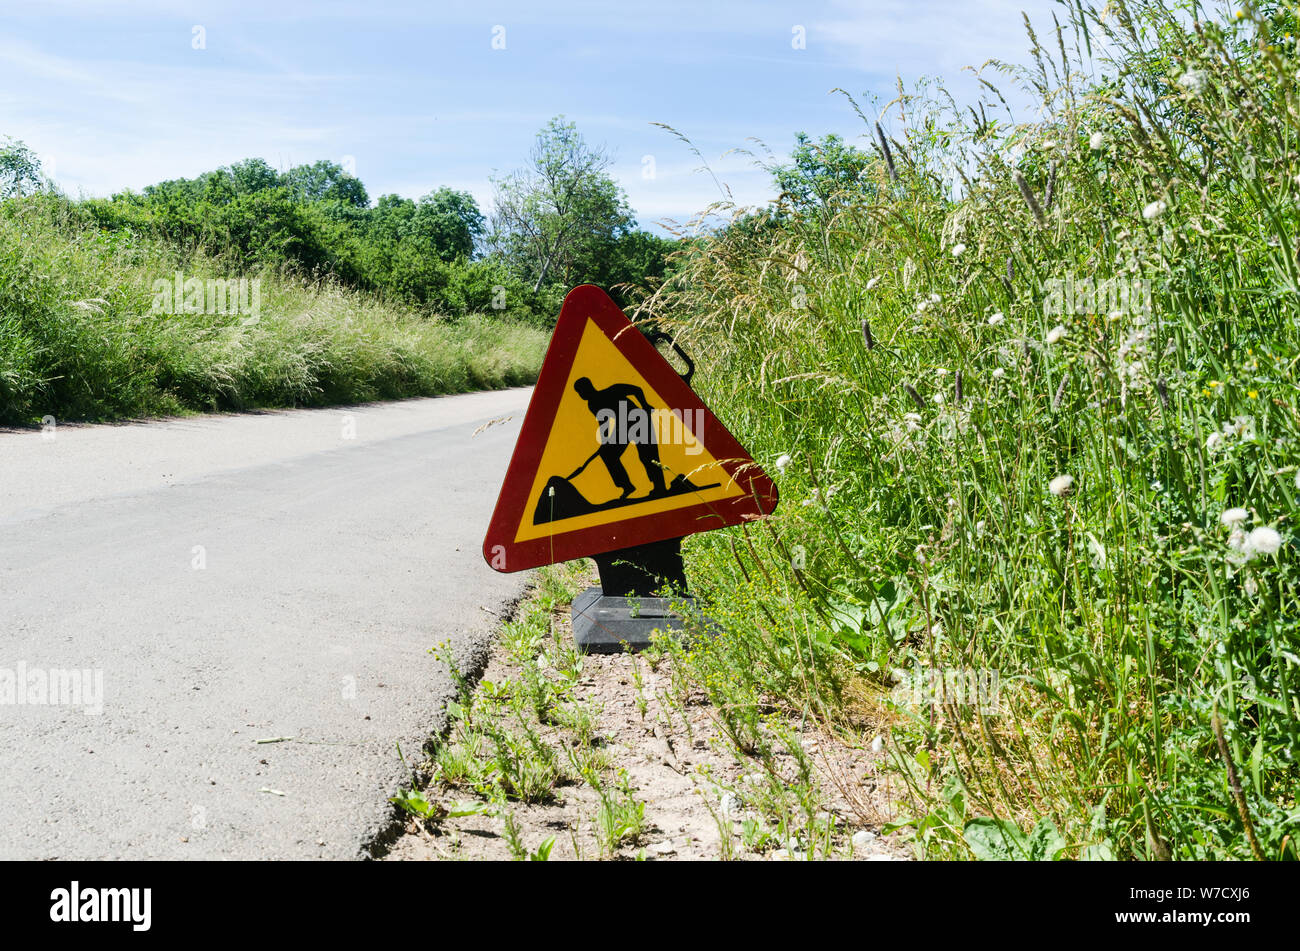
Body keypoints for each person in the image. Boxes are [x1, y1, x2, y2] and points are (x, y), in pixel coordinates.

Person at [572, 376, 667, 500]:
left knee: (647, 456)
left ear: (589, 387)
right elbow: (603, 423)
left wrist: (645, 405)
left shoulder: (613, 390)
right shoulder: (593, 404)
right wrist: (605, 442)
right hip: (623, 428)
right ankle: (626, 486)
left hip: (639, 421)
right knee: (607, 454)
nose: (581, 395)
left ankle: (660, 487)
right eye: (579, 393)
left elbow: (637, 390)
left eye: (581, 391)